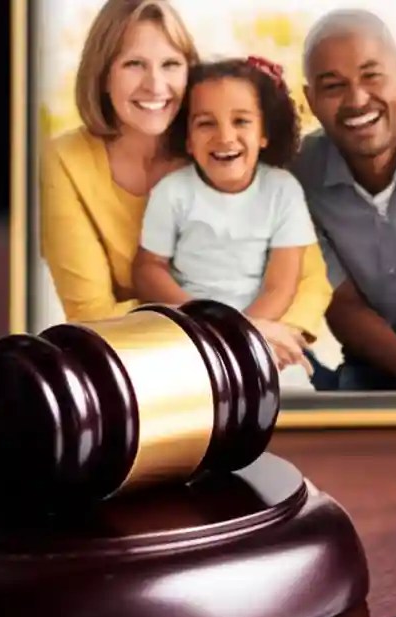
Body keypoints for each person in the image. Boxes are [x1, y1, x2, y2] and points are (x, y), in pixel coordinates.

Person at [40, 0, 328, 370]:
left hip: (264, 353)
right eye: (133, 64)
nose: (155, 85)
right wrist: (235, 331)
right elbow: (93, 314)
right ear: (103, 75)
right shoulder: (63, 162)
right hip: (140, 363)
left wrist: (263, 340)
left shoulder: (215, 144)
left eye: (171, 65)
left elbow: (310, 280)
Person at [133, 57, 319, 377]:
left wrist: (243, 334)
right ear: (188, 139)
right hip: (189, 327)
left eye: (241, 121)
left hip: (260, 328)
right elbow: (149, 270)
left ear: (264, 133)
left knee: (292, 380)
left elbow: (281, 286)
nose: (224, 137)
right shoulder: (172, 191)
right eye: (206, 123)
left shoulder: (282, 191)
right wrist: (204, 323)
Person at [291, 9, 396, 391]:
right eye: (333, 85)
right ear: (310, 99)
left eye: (371, 76)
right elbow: (341, 303)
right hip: (371, 365)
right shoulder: (297, 177)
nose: (356, 99)